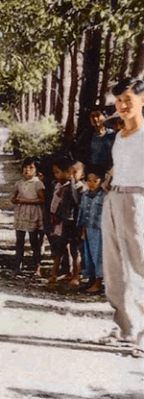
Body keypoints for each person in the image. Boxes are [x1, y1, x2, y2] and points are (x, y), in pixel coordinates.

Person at [100, 78, 144, 357]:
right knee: (114, 266)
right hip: (113, 198)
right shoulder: (119, 136)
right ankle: (125, 326)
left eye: (128, 99)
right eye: (119, 101)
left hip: (138, 201)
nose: (123, 105)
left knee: (139, 266)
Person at [47, 156, 82, 285]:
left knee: (74, 250)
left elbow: (78, 203)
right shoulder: (60, 186)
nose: (71, 175)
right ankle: (55, 274)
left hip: (73, 223)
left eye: (74, 173)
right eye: (69, 173)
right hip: (62, 222)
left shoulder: (79, 188)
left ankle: (76, 276)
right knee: (59, 249)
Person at [11, 157, 45, 275]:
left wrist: (25, 202)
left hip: (33, 213)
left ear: (36, 170)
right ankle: (17, 266)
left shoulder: (37, 183)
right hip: (21, 213)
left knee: (34, 241)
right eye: (25, 167)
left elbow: (42, 199)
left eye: (31, 168)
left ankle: (37, 268)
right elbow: (14, 197)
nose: (27, 170)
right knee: (19, 240)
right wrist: (15, 200)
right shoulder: (19, 183)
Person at [77, 165, 105, 295]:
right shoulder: (85, 195)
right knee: (88, 255)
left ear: (101, 181)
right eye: (89, 180)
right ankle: (91, 280)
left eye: (95, 180)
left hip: (100, 231)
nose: (92, 183)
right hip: (88, 229)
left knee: (98, 255)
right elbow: (82, 212)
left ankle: (99, 283)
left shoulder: (104, 196)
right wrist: (83, 230)